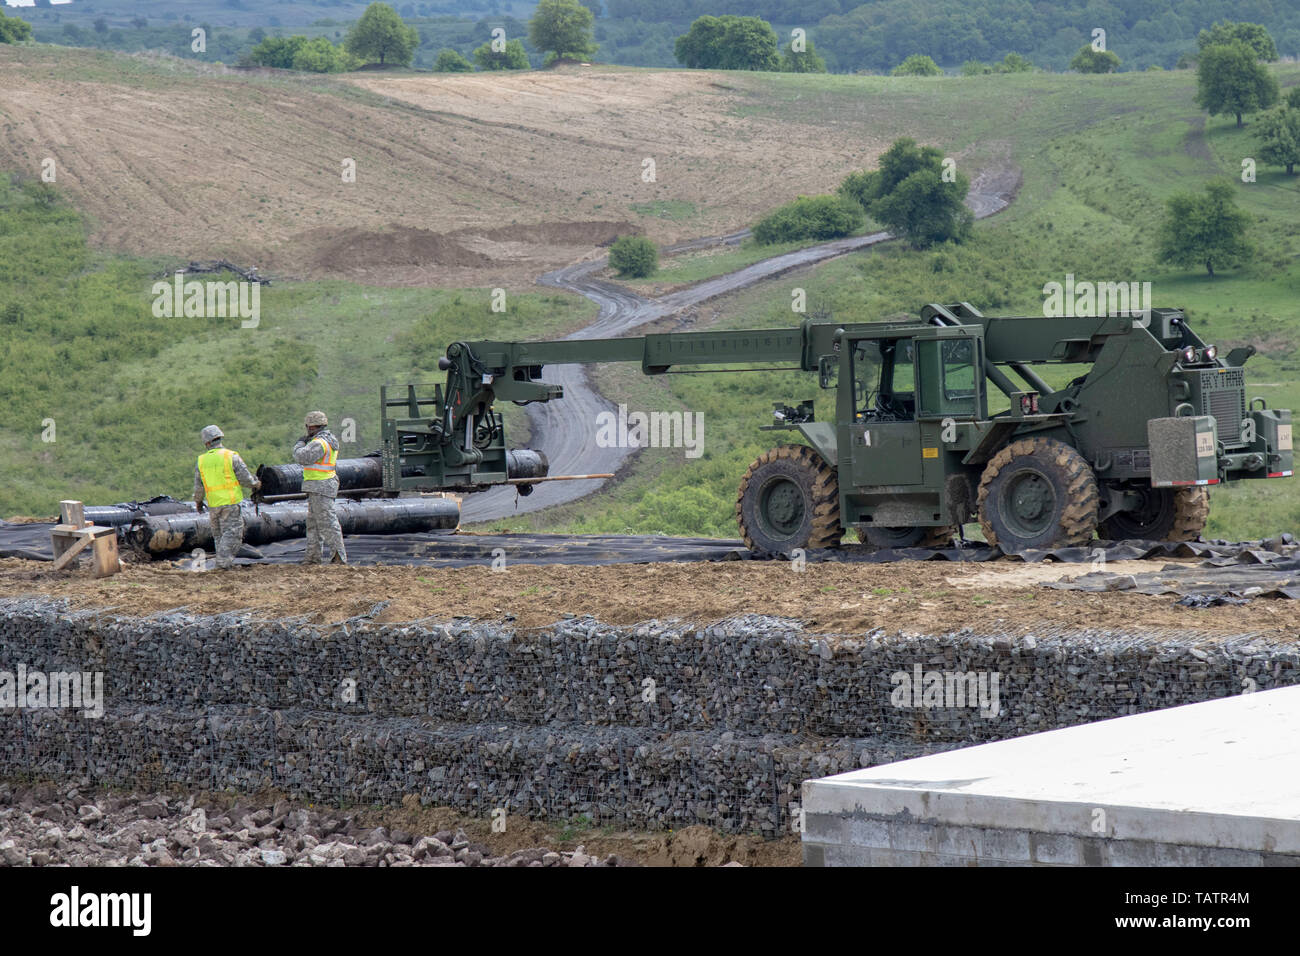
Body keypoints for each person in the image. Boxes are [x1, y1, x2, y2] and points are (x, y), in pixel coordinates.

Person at [193, 425, 259, 570]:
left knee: (219, 536)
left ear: (207, 443)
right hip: (229, 503)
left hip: (213, 504)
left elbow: (198, 487)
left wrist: (198, 502)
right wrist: (256, 484)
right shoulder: (231, 456)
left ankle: (223, 564)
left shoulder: (201, 460)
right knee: (233, 534)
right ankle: (222, 565)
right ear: (220, 438)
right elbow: (245, 479)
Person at [294, 410, 347, 565]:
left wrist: (299, 444)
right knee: (315, 524)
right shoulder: (327, 440)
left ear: (311, 427)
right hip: (320, 486)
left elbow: (302, 457)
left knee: (327, 523)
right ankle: (312, 558)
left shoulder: (319, 443)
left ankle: (338, 558)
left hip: (320, 487)